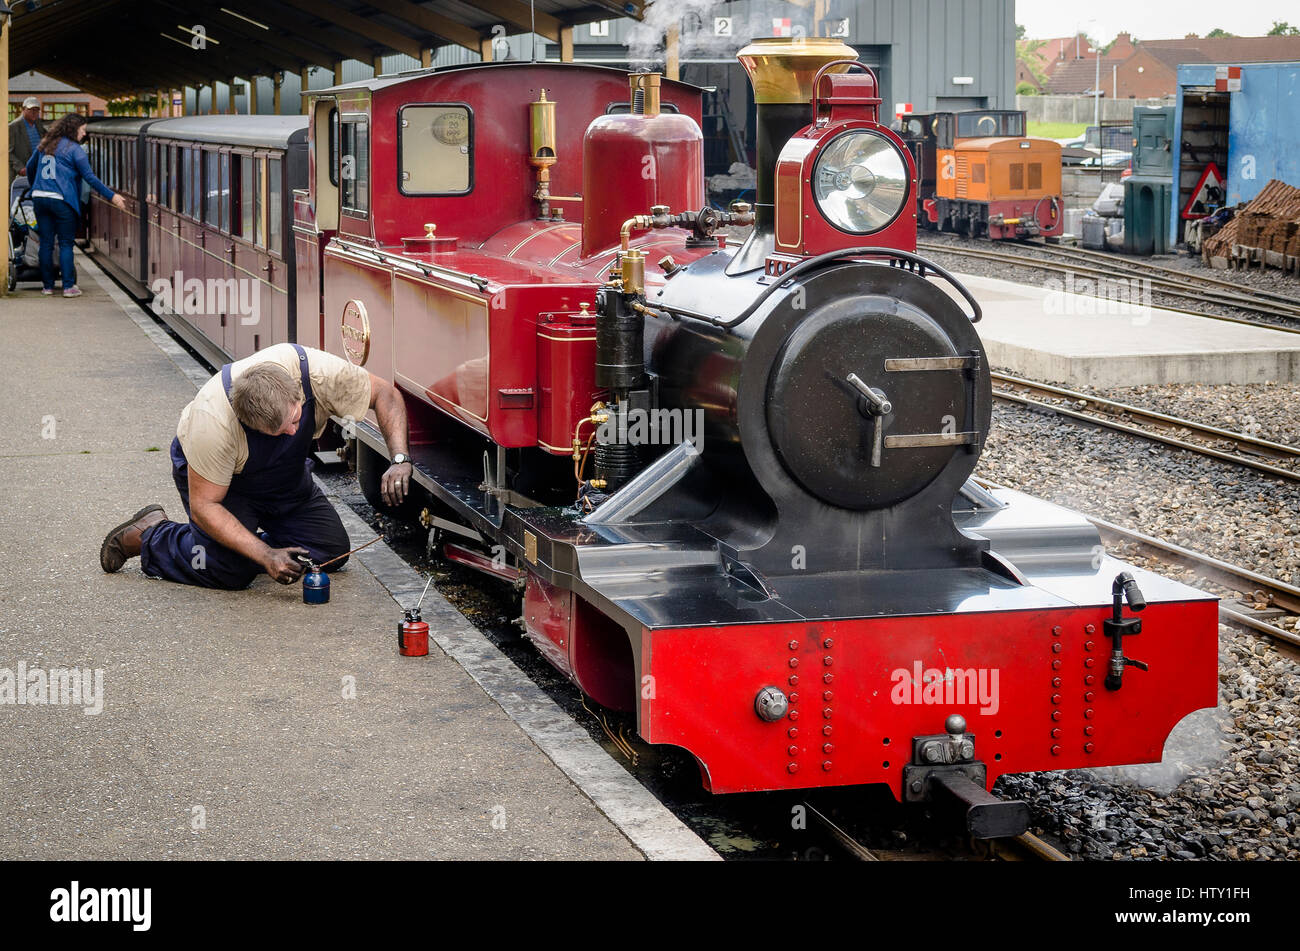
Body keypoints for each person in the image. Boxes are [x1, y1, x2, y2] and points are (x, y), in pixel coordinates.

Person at [100, 344, 414, 590]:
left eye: (295, 419)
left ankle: (245, 548)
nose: (294, 433)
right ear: (252, 424)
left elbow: (385, 394)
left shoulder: (314, 372)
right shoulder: (212, 424)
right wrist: (264, 555)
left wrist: (399, 459)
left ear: (297, 393)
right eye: (280, 432)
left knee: (328, 550)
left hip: (284, 478)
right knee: (230, 571)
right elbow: (204, 506)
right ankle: (152, 535)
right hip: (226, 486)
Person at [24, 112, 125, 297]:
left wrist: (35, 186)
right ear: (74, 129)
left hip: (39, 198)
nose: (84, 134)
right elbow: (90, 177)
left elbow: (30, 167)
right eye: (83, 130)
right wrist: (112, 196)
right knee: (65, 243)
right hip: (61, 200)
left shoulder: (44, 145)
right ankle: (68, 287)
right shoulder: (74, 149)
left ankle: (47, 287)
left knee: (45, 243)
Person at [7, 97, 47, 187]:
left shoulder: (39, 125)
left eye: (37, 110)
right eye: (30, 109)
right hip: (20, 173)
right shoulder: (13, 127)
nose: (34, 112)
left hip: (37, 169)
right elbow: (7, 152)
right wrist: (20, 167)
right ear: (23, 109)